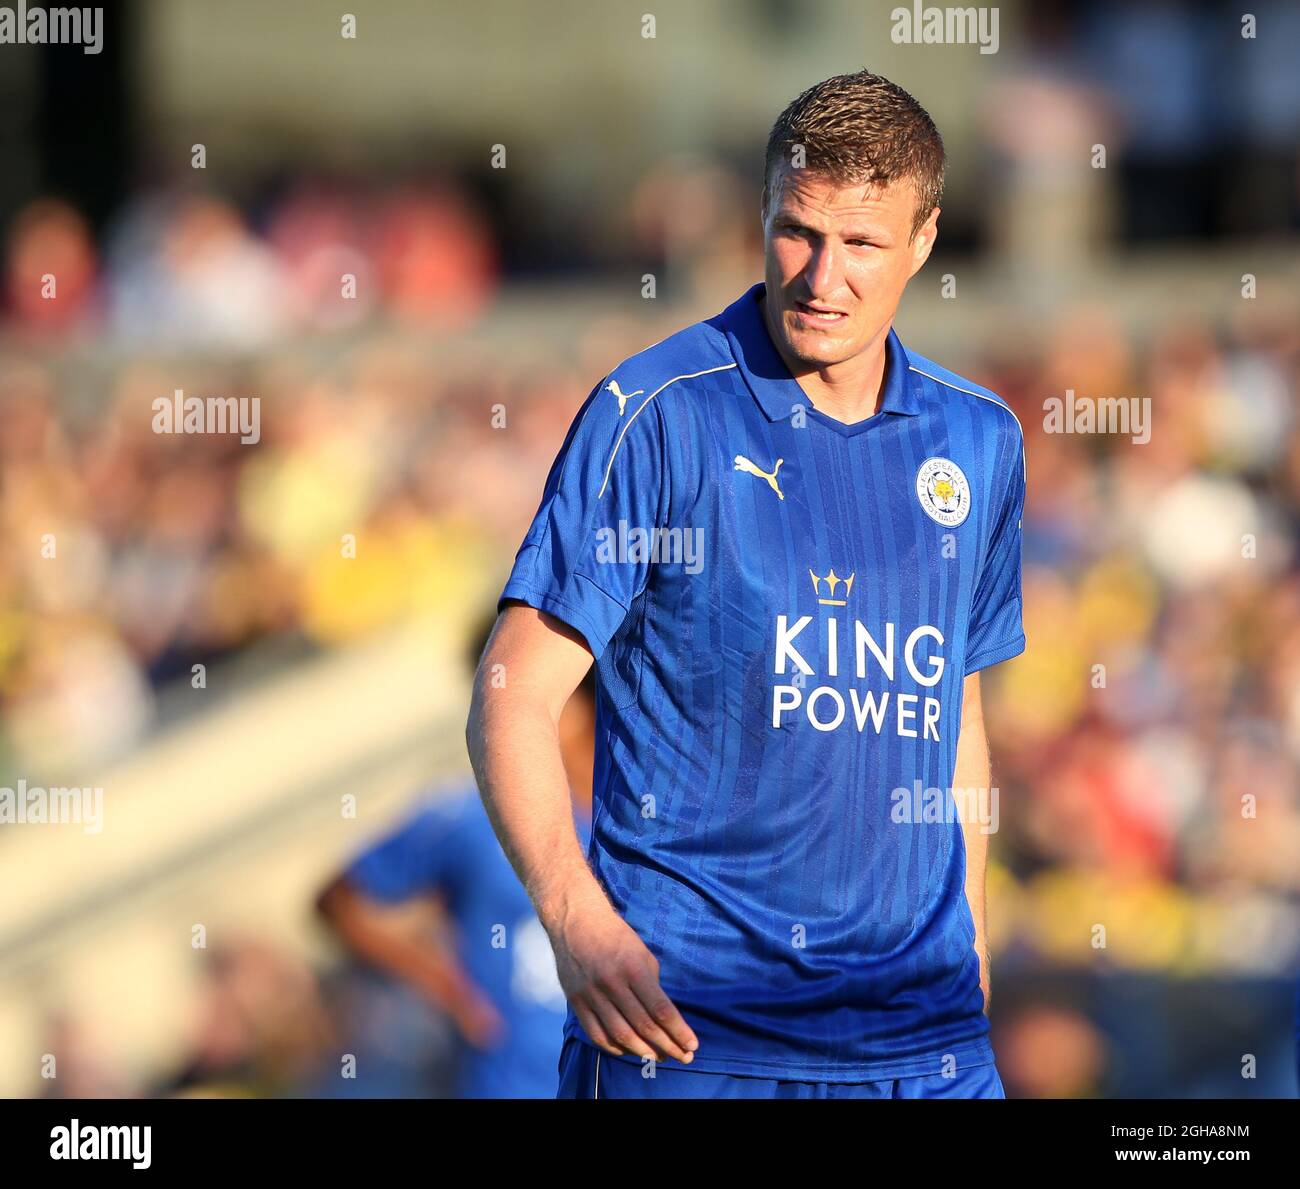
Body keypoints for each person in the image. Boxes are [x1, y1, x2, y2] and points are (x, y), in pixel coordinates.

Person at [467, 70, 1026, 1099]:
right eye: (797, 231)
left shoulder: (978, 440)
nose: (822, 276)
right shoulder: (658, 411)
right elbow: (511, 693)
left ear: (925, 242)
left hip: (919, 1040)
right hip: (687, 1032)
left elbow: (958, 716)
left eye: (861, 244)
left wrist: (974, 946)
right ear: (761, 215)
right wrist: (575, 917)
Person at [318, 619, 594, 1098]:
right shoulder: (470, 815)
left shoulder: (644, 803)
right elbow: (339, 902)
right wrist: (450, 990)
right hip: (518, 1080)